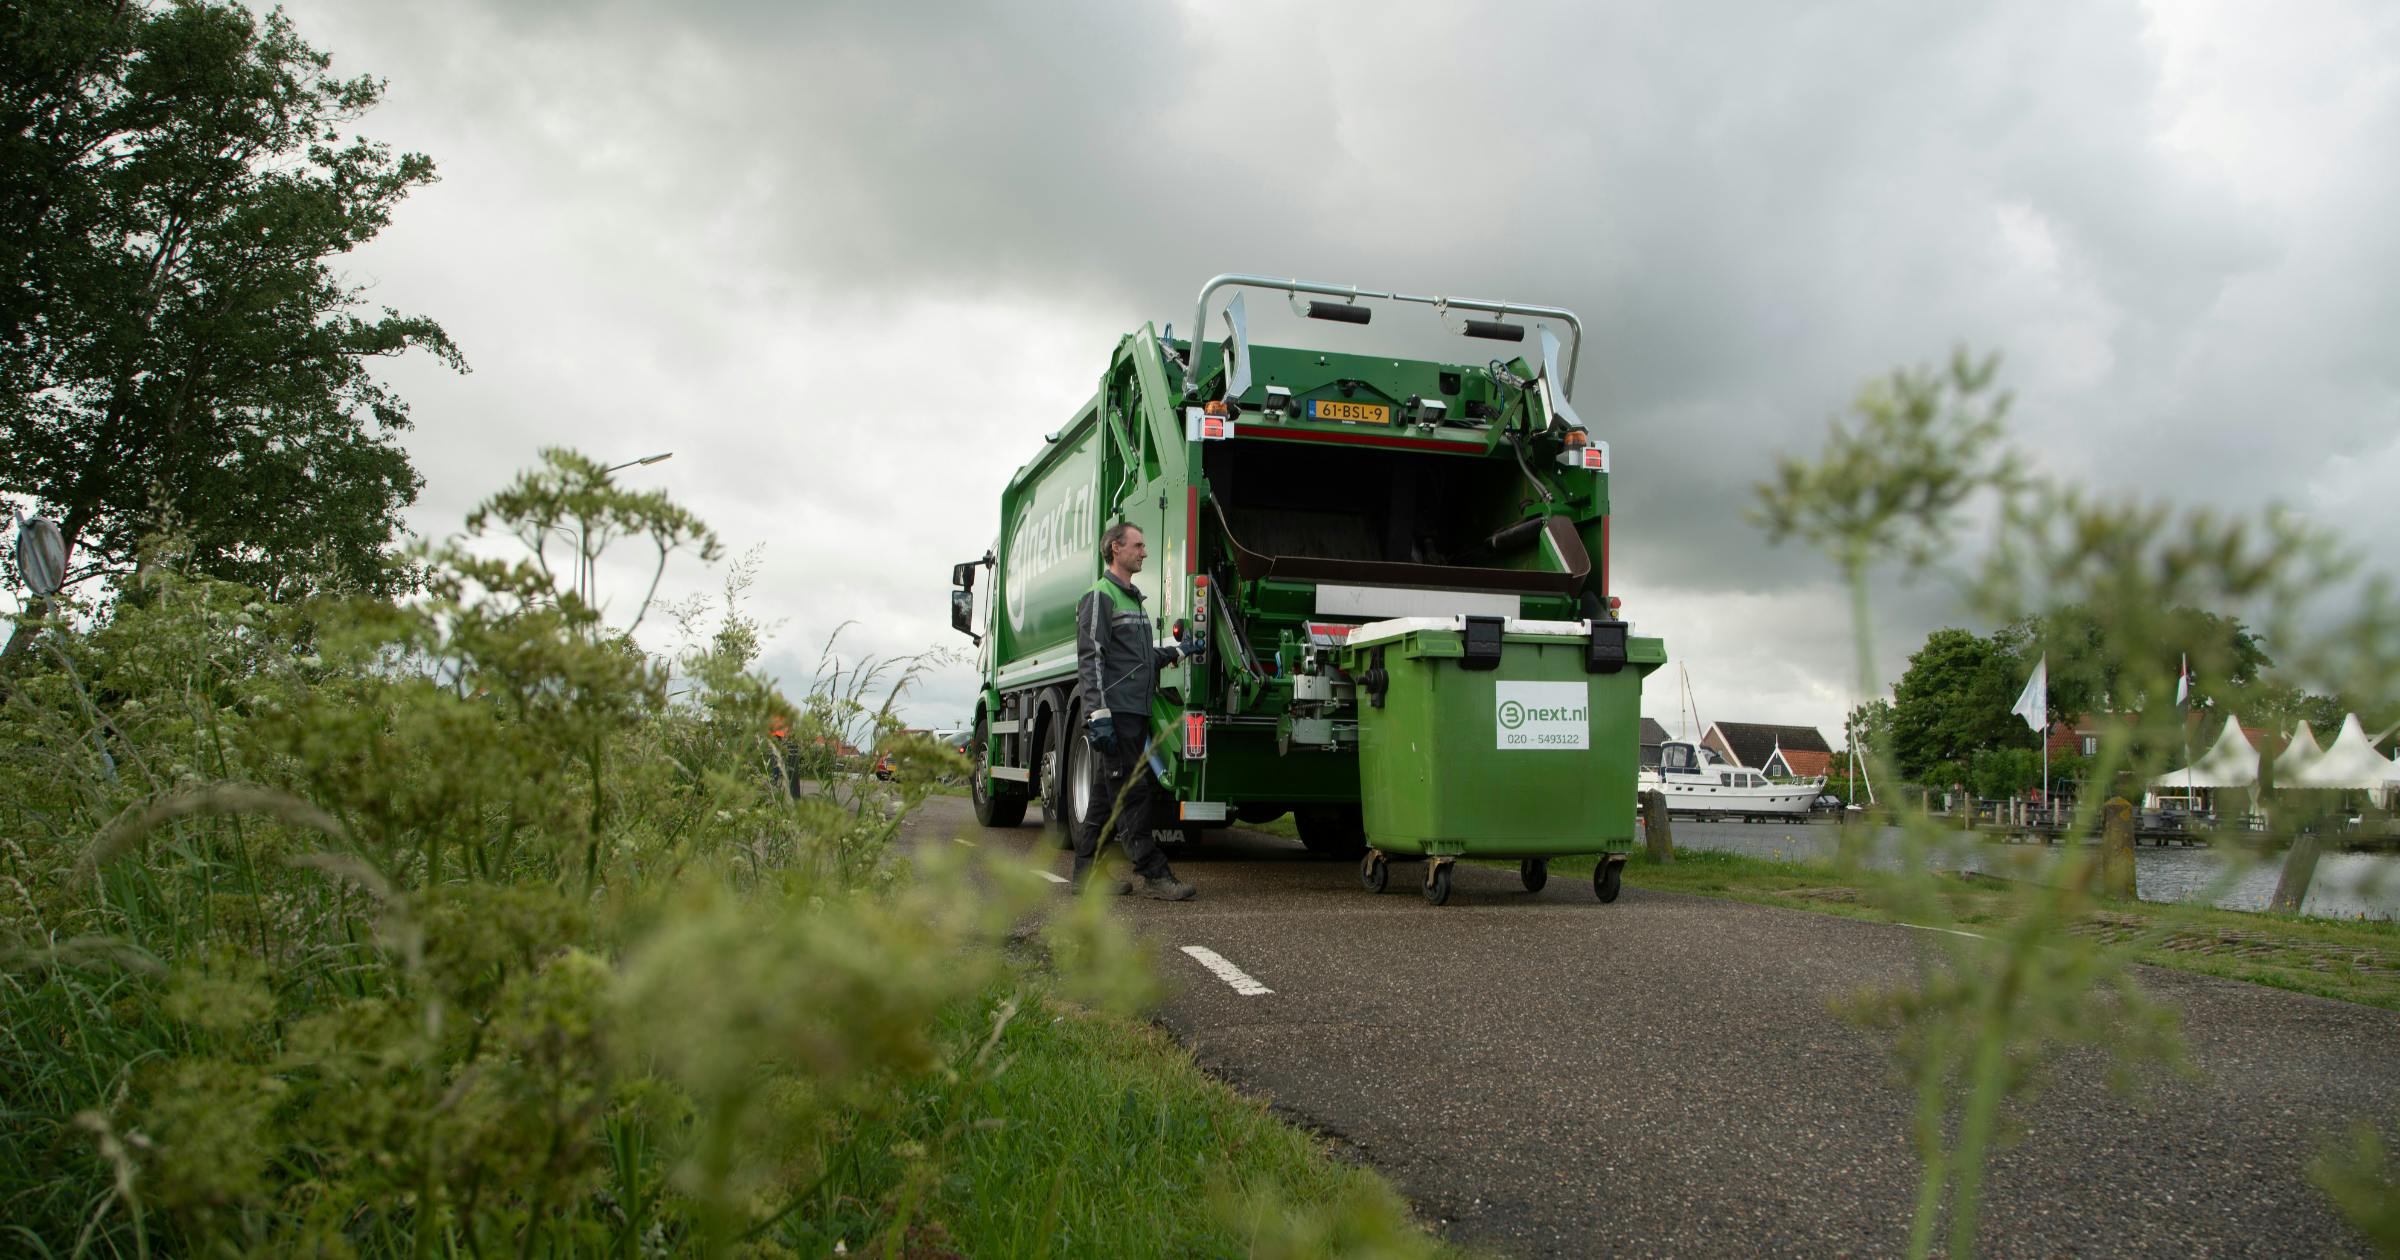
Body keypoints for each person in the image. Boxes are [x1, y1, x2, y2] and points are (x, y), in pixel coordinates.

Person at [1072, 521, 1203, 899]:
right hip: (1116, 713)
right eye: (1138, 545)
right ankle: (1155, 872)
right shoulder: (1100, 597)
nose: (1144, 551)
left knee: (1103, 798)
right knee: (1134, 794)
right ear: (1116, 548)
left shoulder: (1133, 600)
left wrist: (1178, 652)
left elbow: (1139, 659)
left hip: (1133, 712)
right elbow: (1090, 658)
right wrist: (1098, 714)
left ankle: (1086, 875)